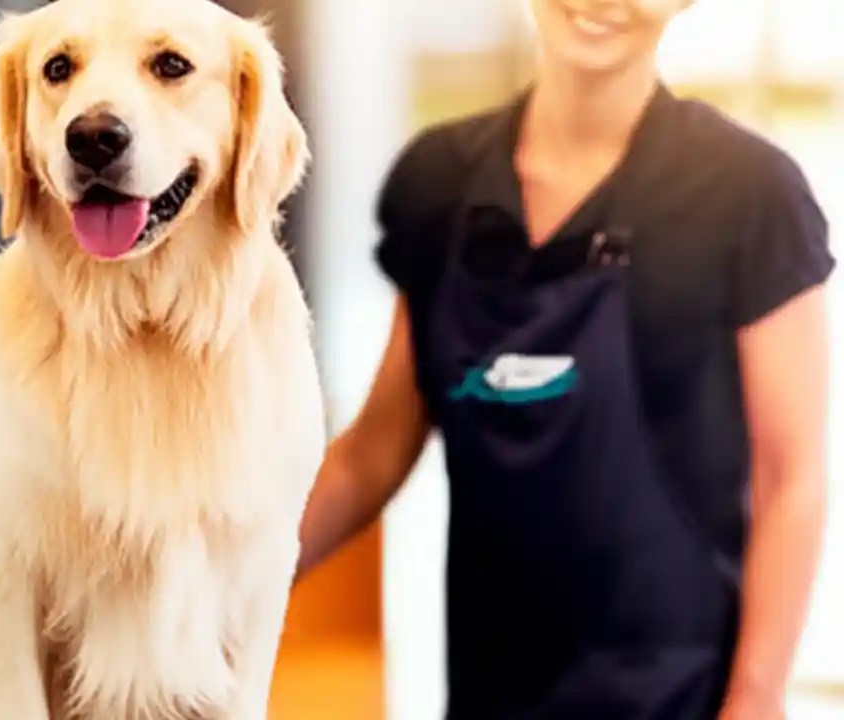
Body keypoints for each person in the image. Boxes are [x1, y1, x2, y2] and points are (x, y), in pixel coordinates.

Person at [296, 1, 835, 718]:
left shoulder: (751, 194)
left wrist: (756, 698)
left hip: (678, 698)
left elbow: (790, 477)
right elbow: (373, 452)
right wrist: (219, 595)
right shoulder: (440, 182)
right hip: (491, 698)